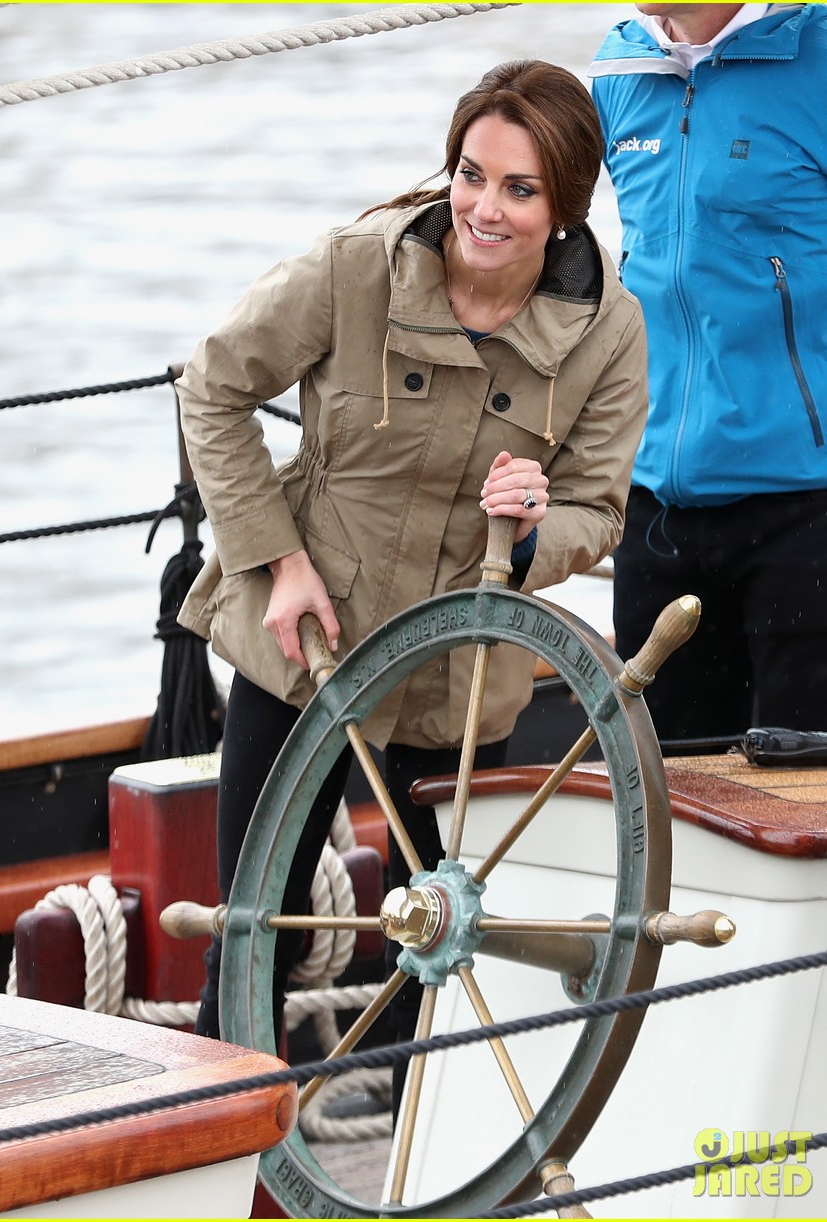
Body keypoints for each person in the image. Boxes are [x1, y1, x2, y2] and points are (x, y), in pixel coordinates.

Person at [175, 60, 648, 1050]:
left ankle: (414, 1158)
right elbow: (212, 389)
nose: (484, 208)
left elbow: (598, 512)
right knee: (248, 937)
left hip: (459, 678)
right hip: (308, 642)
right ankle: (232, 1153)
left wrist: (531, 530)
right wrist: (275, 562)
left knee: (434, 959)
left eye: (519, 189)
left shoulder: (611, 332)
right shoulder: (353, 267)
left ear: (565, 206)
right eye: (470, 175)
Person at [589, 4, 827, 744]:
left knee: (803, 795)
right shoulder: (618, 66)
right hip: (653, 509)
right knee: (668, 788)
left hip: (812, 510)